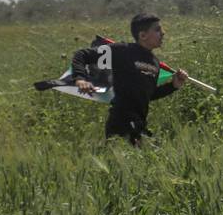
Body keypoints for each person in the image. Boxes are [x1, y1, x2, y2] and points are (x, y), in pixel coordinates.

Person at [75, 12, 189, 146]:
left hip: (139, 122)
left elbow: (148, 94)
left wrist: (173, 86)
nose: (163, 33)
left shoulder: (155, 63)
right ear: (143, 35)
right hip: (121, 122)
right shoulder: (123, 51)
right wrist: (80, 78)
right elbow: (81, 55)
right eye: (157, 29)